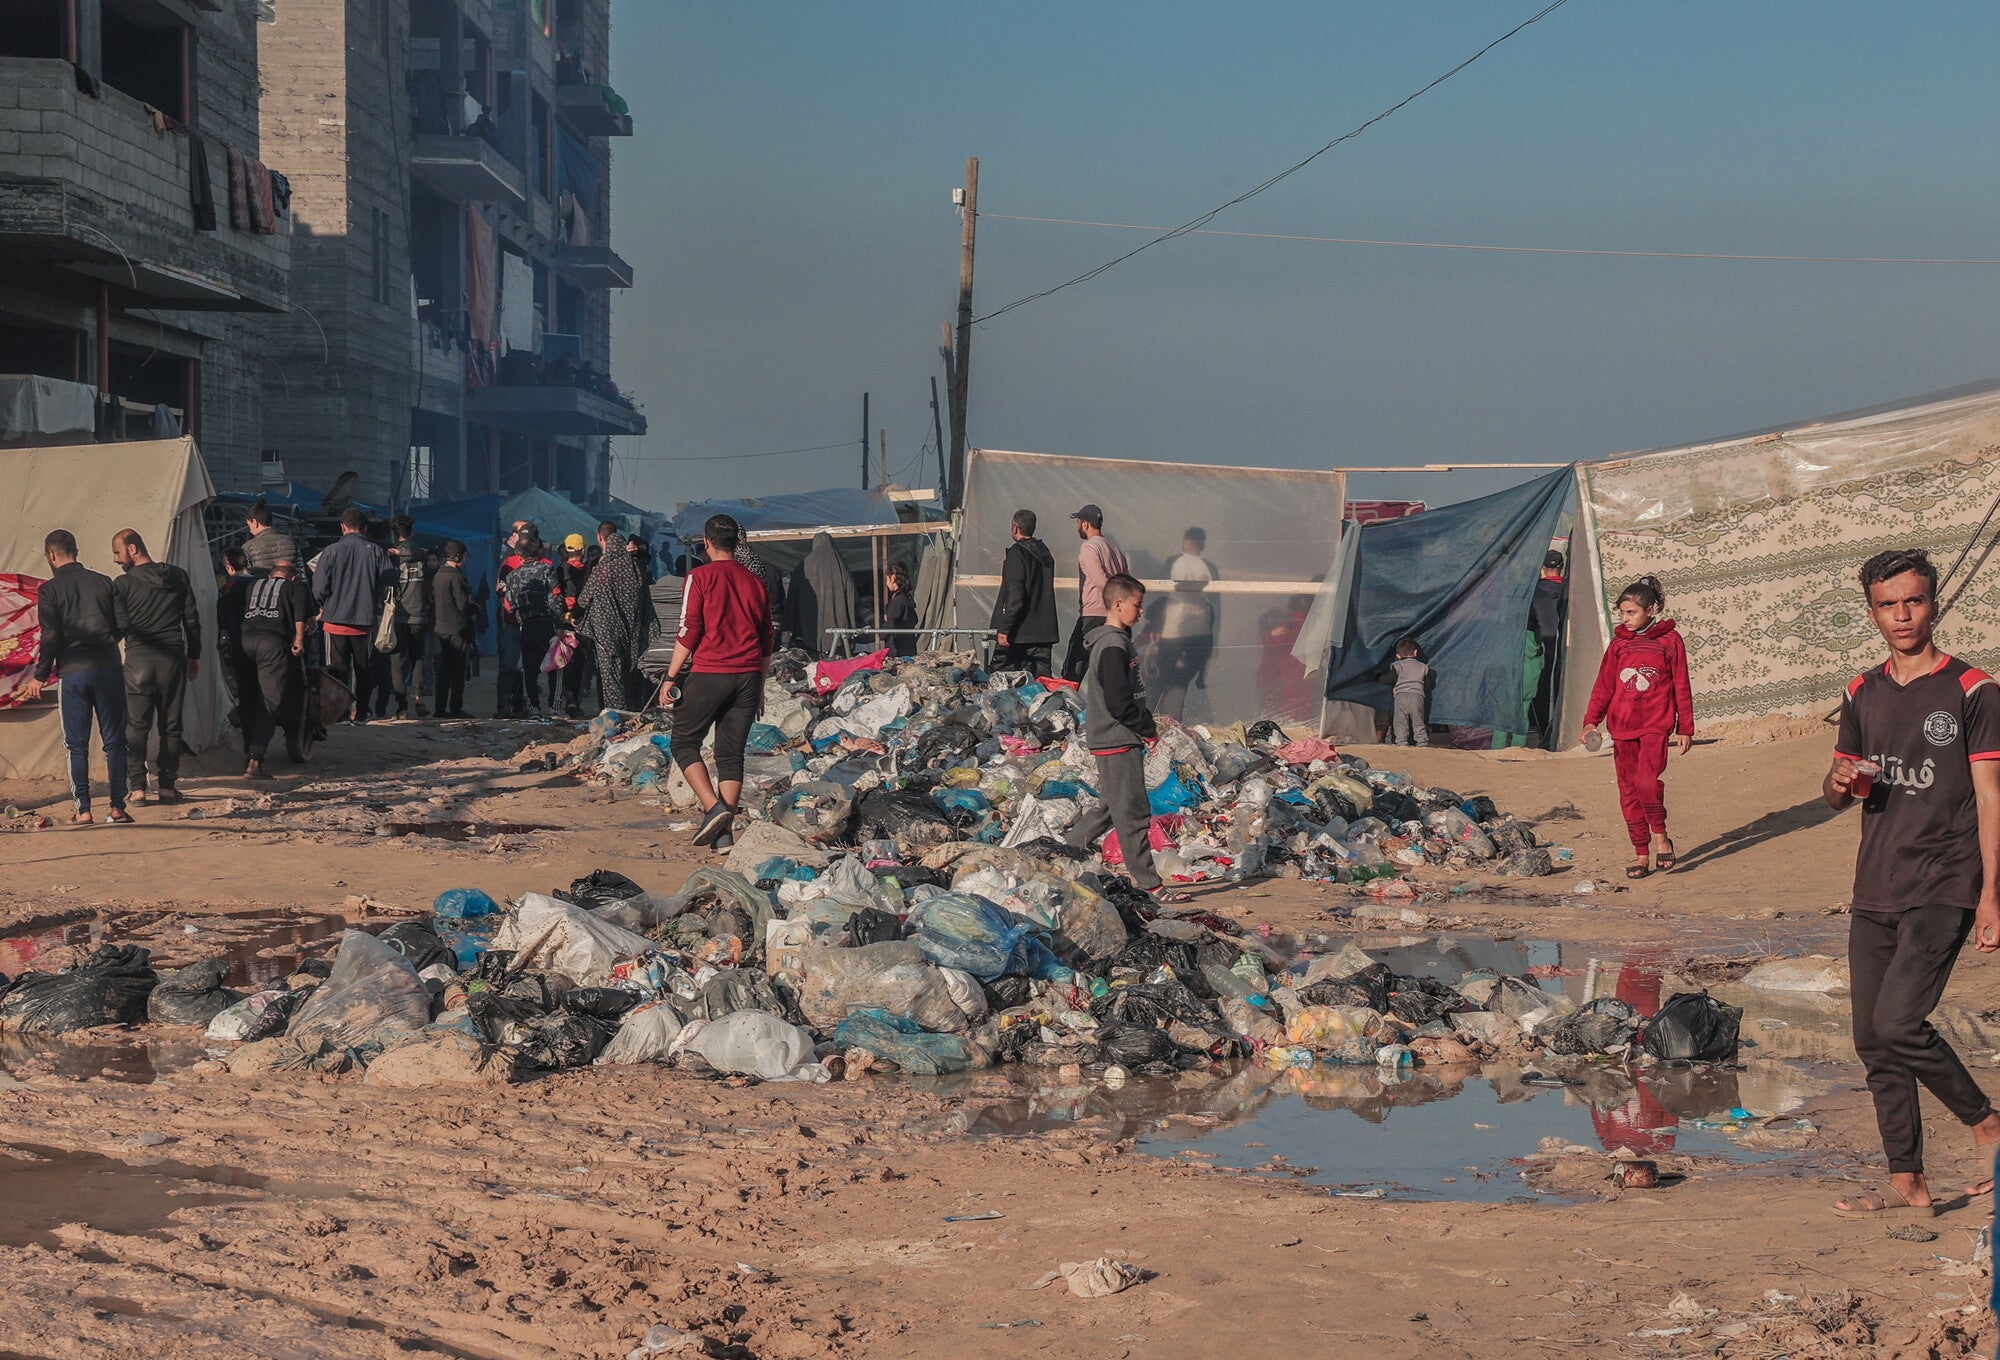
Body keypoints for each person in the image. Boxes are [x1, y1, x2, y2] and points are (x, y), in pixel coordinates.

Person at [1823, 547, 2000, 1217]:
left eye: (1915, 600)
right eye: (1888, 604)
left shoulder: (1973, 689)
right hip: (1876, 888)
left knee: (1900, 1022)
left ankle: (1986, 1122)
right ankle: (1908, 1184)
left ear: (1934, 603)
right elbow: (1839, 789)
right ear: (1872, 613)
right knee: (1873, 1039)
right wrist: (1840, 782)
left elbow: (1991, 796)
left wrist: (1991, 895)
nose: (1903, 615)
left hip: (1947, 883)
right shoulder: (1861, 692)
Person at [1063, 575, 1190, 903]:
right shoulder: (1112, 646)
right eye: (1137, 604)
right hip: (1117, 738)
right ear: (1118, 605)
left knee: (1111, 807)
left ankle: (1063, 853)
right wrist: (1145, 728)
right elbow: (1119, 702)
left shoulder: (1117, 642)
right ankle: (1151, 884)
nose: (1142, 610)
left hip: (1116, 737)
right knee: (1132, 812)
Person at [662, 514, 773, 851]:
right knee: (730, 754)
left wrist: (670, 677)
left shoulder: (699, 577)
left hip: (711, 671)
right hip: (749, 675)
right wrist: (762, 687)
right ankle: (724, 835)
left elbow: (689, 630)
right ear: (736, 543)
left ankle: (714, 809)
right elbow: (767, 637)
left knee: (683, 742)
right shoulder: (755, 581)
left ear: (706, 542)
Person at [1581, 575, 1693, 879]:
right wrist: (1591, 721)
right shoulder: (1619, 644)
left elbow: (1681, 685)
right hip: (1623, 727)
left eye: (1631, 612)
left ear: (1651, 609)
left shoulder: (1670, 640)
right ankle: (1641, 852)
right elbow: (1604, 687)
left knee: (1646, 783)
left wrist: (1685, 727)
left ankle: (1660, 836)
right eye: (1622, 613)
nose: (1625, 619)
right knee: (1628, 791)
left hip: (1655, 725)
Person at [21, 529, 131, 824]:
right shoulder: (104, 582)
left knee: (76, 744)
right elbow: (123, 623)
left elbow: (51, 635)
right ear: (76, 551)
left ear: (51, 555)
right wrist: (107, 640)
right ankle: (118, 806)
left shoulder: (50, 590)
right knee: (115, 740)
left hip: (73, 673)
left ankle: (83, 810)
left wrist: (39, 676)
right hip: (108, 668)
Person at [109, 528, 200, 804]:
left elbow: (120, 626)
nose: (116, 559)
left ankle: (137, 787)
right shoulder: (178, 576)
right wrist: (194, 656)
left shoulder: (122, 585)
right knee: (171, 727)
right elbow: (192, 620)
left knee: (136, 727)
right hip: (172, 659)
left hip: (138, 662)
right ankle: (167, 787)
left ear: (133, 549)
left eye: (117, 552)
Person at [312, 507, 393, 724]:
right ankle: (363, 712)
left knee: (336, 669)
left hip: (334, 621)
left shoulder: (330, 551)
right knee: (363, 668)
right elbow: (390, 581)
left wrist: (324, 604)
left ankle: (339, 715)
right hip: (363, 621)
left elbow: (318, 587)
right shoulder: (376, 551)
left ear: (343, 527)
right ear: (365, 528)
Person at [237, 556, 309, 778]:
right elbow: (300, 613)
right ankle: (255, 761)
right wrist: (299, 639)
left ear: (270, 575)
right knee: (269, 702)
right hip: (273, 644)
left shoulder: (252, 585)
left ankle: (248, 752)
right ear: (293, 576)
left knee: (247, 701)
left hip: (245, 642)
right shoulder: (295, 586)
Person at [576, 520, 650, 712]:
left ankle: (614, 714)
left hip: (607, 634)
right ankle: (632, 712)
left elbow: (583, 600)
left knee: (611, 677)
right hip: (633, 635)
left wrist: (573, 618)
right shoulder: (637, 568)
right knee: (630, 675)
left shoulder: (602, 570)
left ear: (600, 538)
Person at [1147, 526, 1219, 721]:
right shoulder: (1210, 568)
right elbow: (1216, 606)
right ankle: (1172, 721)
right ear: (1202, 544)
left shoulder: (1173, 562)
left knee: (1162, 678)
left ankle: (1155, 721)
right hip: (1200, 632)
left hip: (1173, 630)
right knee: (1181, 682)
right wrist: (1214, 638)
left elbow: (1162, 596)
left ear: (1186, 542)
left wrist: (1155, 626)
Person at [1060, 504, 1129, 683]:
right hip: (1117, 620)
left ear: (1085, 524)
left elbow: (1099, 579)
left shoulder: (1090, 547)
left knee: (1074, 669)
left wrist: (1112, 604)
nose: (1077, 527)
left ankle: (1065, 708)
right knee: (1111, 672)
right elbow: (1126, 582)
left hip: (1094, 617)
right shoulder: (1115, 550)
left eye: (1078, 522)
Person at [497, 526, 560, 718]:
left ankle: (533, 707)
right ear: (537, 546)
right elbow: (556, 597)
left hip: (525, 626)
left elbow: (508, 604)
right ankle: (554, 708)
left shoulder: (512, 574)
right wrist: (559, 624)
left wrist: (519, 617)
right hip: (547, 625)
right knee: (554, 667)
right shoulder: (548, 568)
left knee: (528, 669)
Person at [990, 509, 1057, 676]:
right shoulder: (1044, 552)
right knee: (1040, 685)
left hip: (1018, 633)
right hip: (1043, 632)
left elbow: (1015, 596)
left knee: (1002, 681)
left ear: (1014, 527)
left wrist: (1005, 628)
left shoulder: (1017, 554)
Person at [379, 515, 428, 720]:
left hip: (397, 617)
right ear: (412, 532)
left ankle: (402, 707)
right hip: (418, 617)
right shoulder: (422, 554)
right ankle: (418, 696)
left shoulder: (389, 558)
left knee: (396, 662)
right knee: (417, 658)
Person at [784, 531, 856, 659]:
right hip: (837, 634)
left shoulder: (803, 568)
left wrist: (791, 626)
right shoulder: (841, 569)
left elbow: (792, 601)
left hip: (807, 634)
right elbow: (851, 601)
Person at [431, 540, 477, 719]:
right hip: (457, 629)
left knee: (443, 671)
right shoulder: (456, 577)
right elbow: (463, 605)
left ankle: (440, 708)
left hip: (441, 627)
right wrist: (474, 607)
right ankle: (456, 708)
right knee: (458, 672)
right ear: (458, 557)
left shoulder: (439, 575)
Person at [558, 532, 595, 717]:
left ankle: (566, 700)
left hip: (564, 622)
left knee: (564, 663)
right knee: (581, 663)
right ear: (583, 550)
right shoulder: (589, 571)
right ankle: (575, 701)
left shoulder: (559, 570)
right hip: (585, 622)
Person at [216, 546, 251, 718]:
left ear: (229, 567)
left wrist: (223, 636)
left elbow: (222, 614)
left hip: (238, 638)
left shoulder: (230, 589)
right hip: (261, 638)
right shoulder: (260, 583)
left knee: (240, 679)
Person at [1388, 637, 1430, 747]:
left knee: (1400, 721)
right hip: (1417, 697)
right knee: (1418, 720)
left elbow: (1389, 680)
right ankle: (1422, 742)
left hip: (1401, 696)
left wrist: (1378, 674)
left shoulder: (1397, 666)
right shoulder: (1423, 667)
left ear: (1398, 656)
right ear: (1415, 652)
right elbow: (1429, 683)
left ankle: (1401, 742)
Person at [241, 502, 297, 576]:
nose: (250, 530)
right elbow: (300, 572)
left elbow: (247, 576)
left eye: (249, 525)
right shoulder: (290, 541)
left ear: (255, 522)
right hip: (288, 586)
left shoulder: (248, 547)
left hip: (261, 586)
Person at [881, 561, 918, 656]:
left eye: (886, 579)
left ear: (892, 578)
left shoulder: (897, 601)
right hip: (908, 644)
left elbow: (891, 623)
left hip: (898, 647)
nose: (886, 583)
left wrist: (880, 634)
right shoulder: (906, 598)